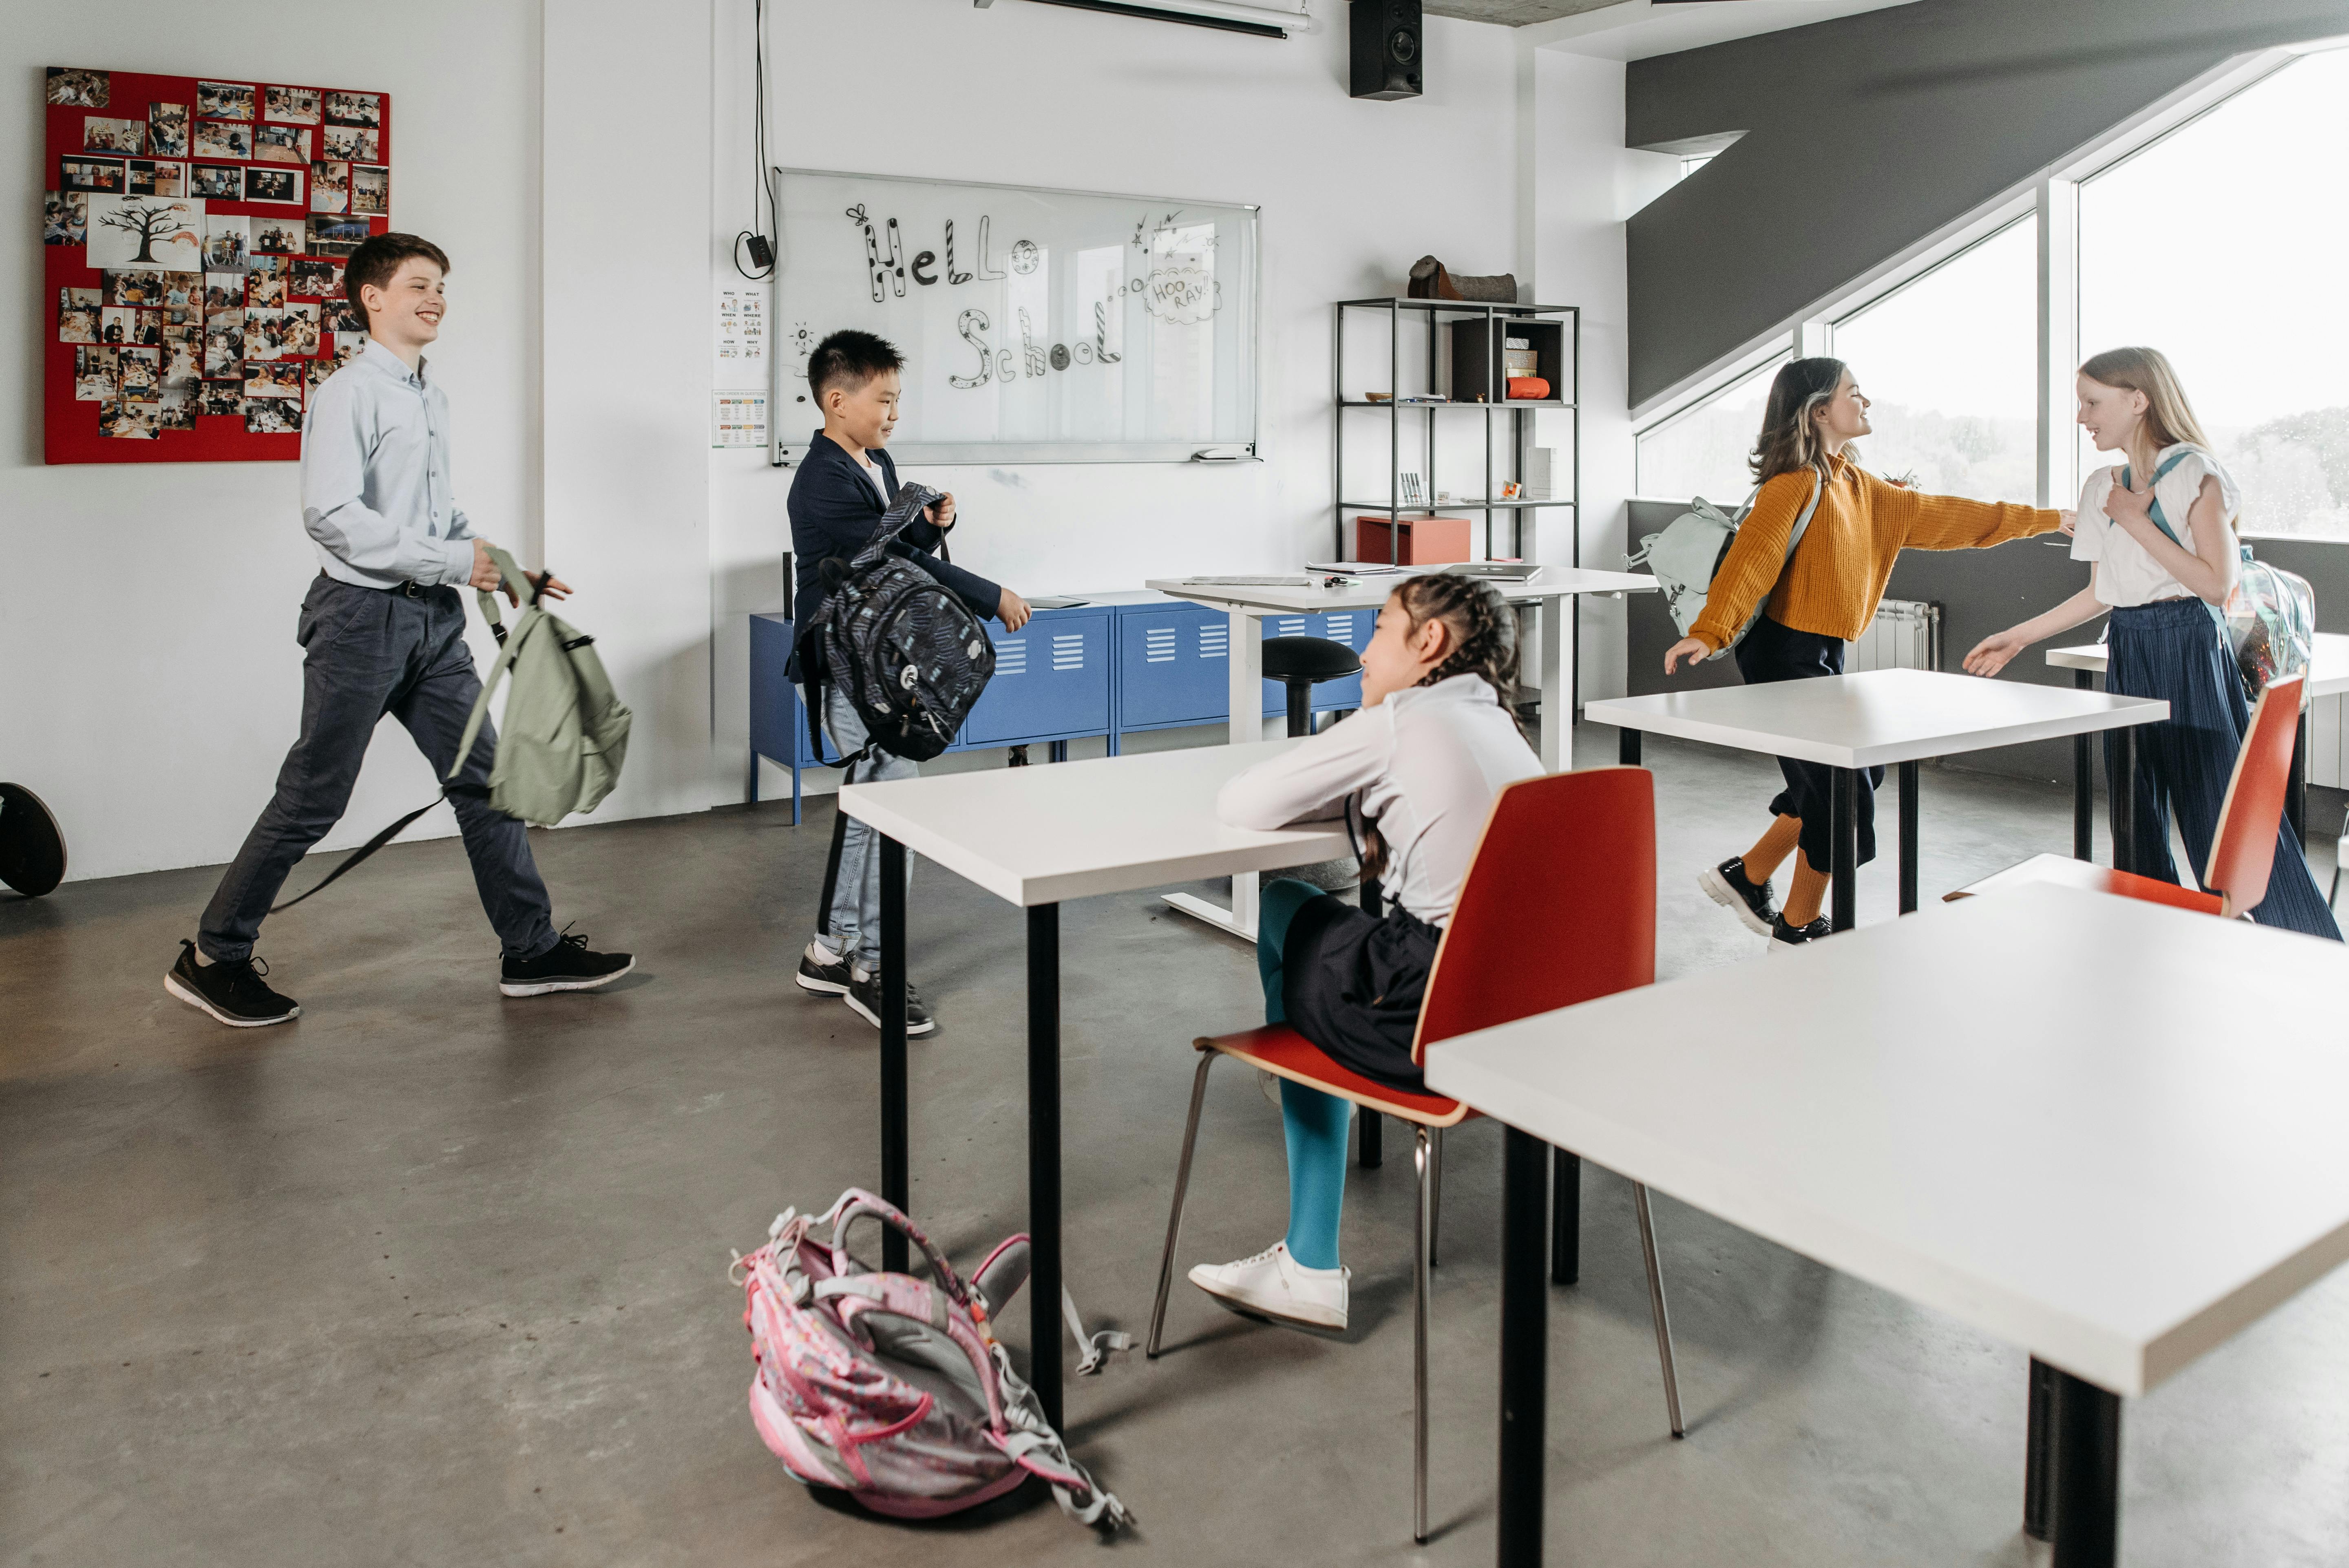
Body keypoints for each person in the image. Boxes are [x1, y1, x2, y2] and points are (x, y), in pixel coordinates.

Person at [166, 231, 631, 1028]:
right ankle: (213, 956)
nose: (436, 298)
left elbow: (440, 516)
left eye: (442, 285)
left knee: (485, 786)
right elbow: (333, 517)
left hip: (431, 623)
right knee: (314, 798)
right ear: (371, 298)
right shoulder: (350, 393)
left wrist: (506, 569)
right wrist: (456, 563)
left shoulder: (429, 396)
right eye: (419, 284)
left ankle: (531, 951)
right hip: (360, 622)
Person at [1185, 574, 1538, 1332]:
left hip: (1426, 1016)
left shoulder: (1401, 720)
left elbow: (1244, 803)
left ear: (1429, 642)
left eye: (1380, 628)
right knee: (1340, 928)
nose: (1365, 649)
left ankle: (1310, 1257)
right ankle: (1312, 1121)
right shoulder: (1500, 727)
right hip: (1521, 1016)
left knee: (1285, 905)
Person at [1662, 357, 2069, 950]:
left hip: (1823, 653)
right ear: (1819, 410)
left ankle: (1746, 876)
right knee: (1838, 793)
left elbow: (1960, 518)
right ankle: (1797, 928)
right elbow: (1752, 561)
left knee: (1853, 772)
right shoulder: (1794, 484)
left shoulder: (1863, 488)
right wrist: (1711, 631)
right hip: (1782, 655)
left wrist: (2052, 519)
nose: (1866, 402)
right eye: (1854, 392)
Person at [1964, 347, 2340, 939]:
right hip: (2130, 645)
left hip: (2190, 641)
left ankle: (2312, 959)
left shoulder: (2194, 472)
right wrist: (2019, 635)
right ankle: (2152, 948)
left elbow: (2217, 586)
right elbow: (2102, 593)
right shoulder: (2099, 487)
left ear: (2138, 400)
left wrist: (2136, 520)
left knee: (2214, 811)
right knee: (2135, 816)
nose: (2082, 416)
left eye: (2093, 402)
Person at [786, 329, 1032, 1036]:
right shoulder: (822, 477)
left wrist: (928, 525)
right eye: (884, 399)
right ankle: (871, 969)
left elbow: (892, 549)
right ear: (838, 401)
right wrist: (990, 595)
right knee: (889, 806)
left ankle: (834, 951)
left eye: (897, 399)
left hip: (877, 655)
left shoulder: (876, 459)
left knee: (875, 799)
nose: (894, 413)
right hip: (848, 657)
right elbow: (888, 562)